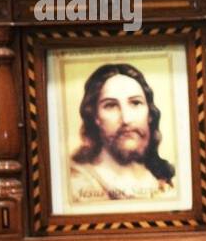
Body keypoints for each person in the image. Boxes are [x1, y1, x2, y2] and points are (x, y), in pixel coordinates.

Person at [68, 62, 175, 202]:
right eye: (111, 105)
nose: (126, 119)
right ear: (95, 116)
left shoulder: (163, 180)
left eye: (135, 103)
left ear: (150, 114)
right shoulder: (76, 184)